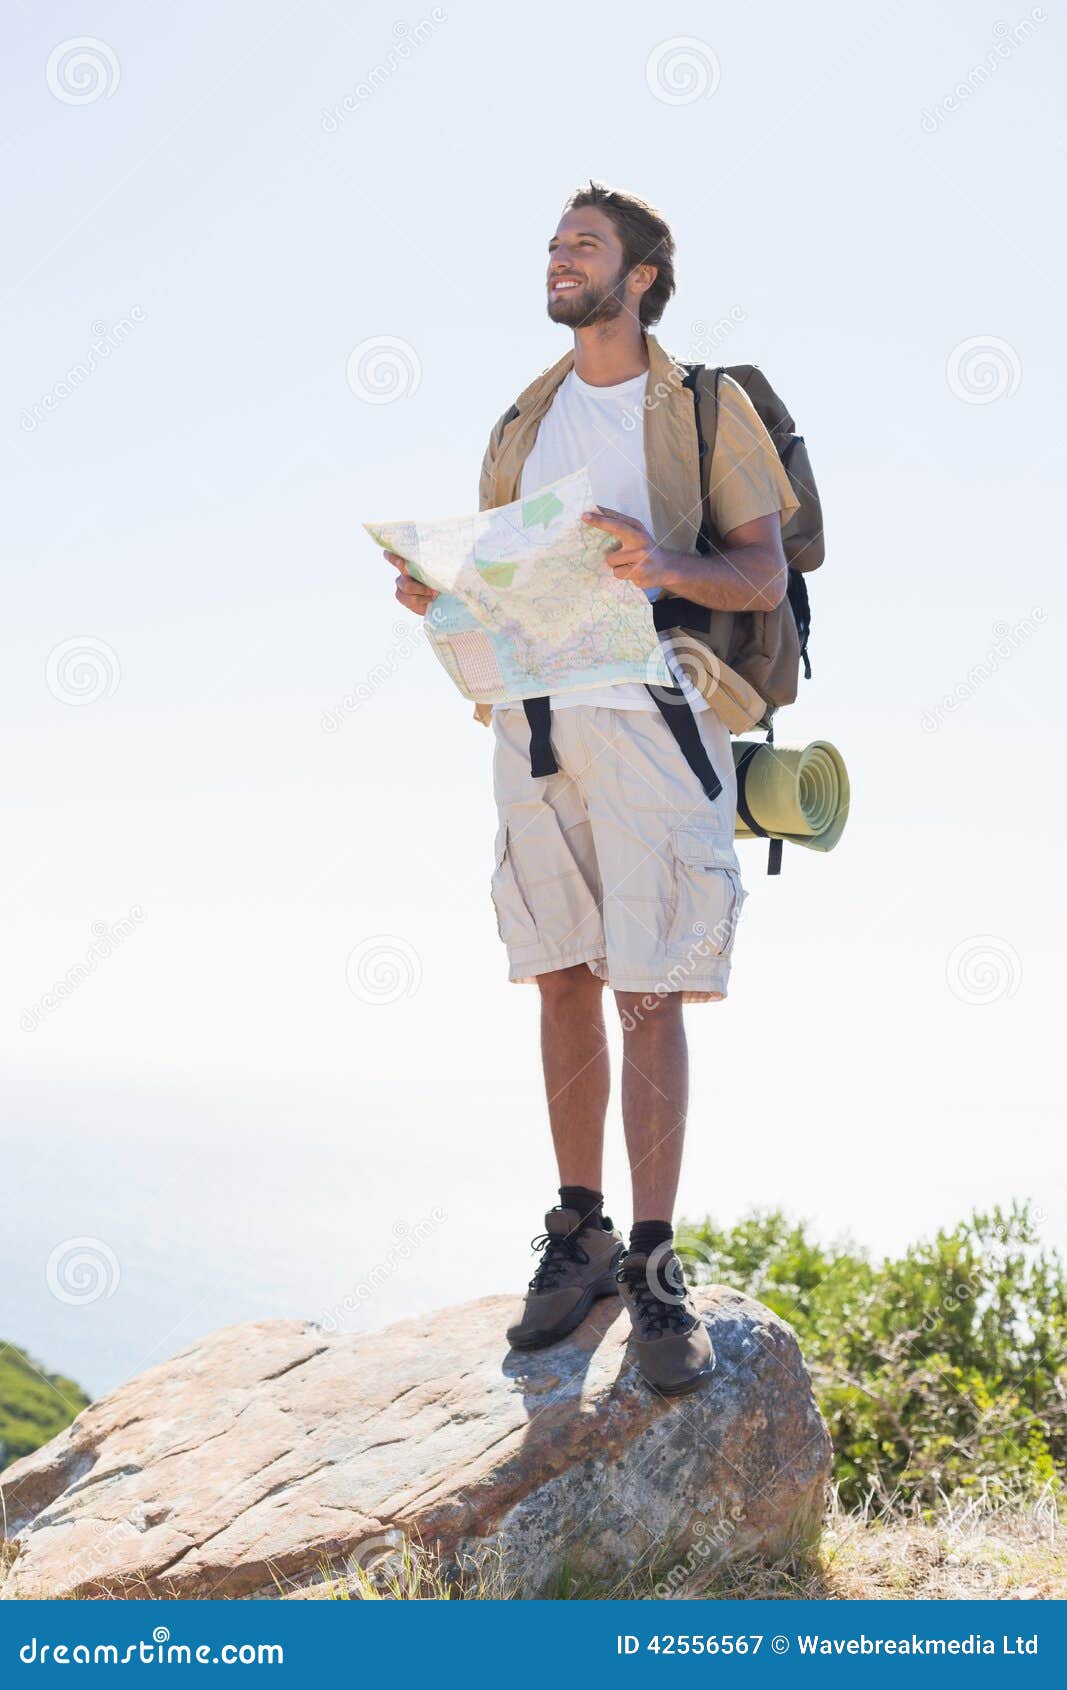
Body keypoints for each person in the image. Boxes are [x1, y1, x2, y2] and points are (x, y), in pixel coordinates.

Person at [387, 182, 797, 1396]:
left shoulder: (705, 408)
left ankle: (657, 1265)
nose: (558, 257)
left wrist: (658, 557)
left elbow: (760, 575)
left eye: (584, 244)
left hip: (659, 717)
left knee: (648, 991)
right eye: (555, 243)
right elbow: (503, 576)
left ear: (643, 275)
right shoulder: (523, 417)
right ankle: (581, 1233)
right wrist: (441, 596)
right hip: (533, 723)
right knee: (559, 973)